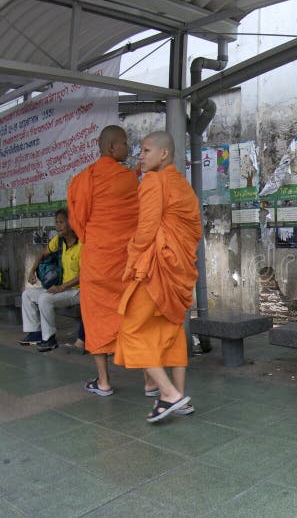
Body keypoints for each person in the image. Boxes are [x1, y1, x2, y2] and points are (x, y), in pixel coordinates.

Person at [115, 131, 201, 422]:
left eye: (146, 150)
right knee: (171, 330)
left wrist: (132, 259)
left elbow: (147, 229)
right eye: (140, 150)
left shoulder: (154, 181)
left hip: (155, 269)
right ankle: (181, 396)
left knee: (130, 330)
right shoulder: (182, 185)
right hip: (180, 270)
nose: (140, 155)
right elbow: (193, 231)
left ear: (164, 154)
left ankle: (169, 394)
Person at [68, 125, 139, 396]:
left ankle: (104, 381)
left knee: (96, 317)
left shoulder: (83, 179)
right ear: (111, 147)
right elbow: (138, 217)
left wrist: (95, 236)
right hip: (124, 261)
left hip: (97, 260)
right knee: (133, 314)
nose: (129, 148)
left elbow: (78, 220)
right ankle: (151, 381)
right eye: (125, 143)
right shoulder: (129, 179)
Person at [19, 208, 81, 352]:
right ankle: (35, 333)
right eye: (56, 222)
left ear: (71, 223)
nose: (58, 226)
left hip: (77, 291)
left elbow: (84, 275)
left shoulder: (82, 244)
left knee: (45, 299)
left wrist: (61, 288)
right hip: (61, 288)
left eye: (61, 222)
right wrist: (32, 271)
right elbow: (42, 253)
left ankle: (49, 338)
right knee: (27, 294)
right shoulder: (59, 241)